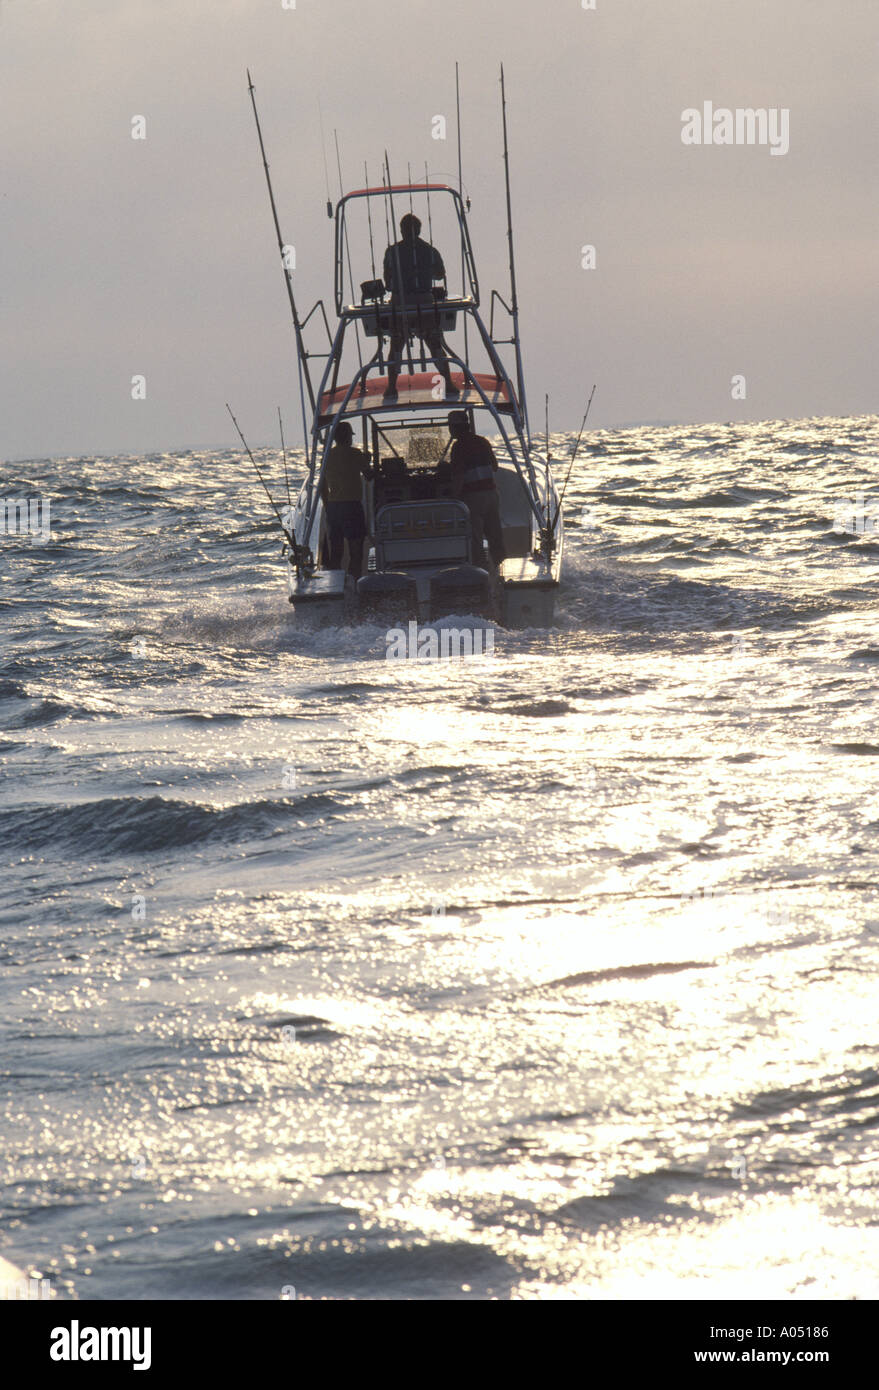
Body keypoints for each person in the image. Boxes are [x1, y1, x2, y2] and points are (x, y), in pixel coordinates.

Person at [382, 213, 458, 401]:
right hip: (425, 301)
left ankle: (391, 387)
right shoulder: (430, 250)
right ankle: (448, 382)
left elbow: (388, 280)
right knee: (435, 344)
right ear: (420, 230)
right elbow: (440, 274)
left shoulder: (392, 252)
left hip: (401, 304)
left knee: (396, 345)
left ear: (401, 230)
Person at [447, 411, 505, 569]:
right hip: (492, 494)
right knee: (495, 533)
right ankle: (499, 566)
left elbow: (458, 477)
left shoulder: (459, 447)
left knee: (475, 536)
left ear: (455, 428)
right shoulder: (483, 441)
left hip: (473, 498)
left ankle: (480, 570)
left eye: (450, 426)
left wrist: (453, 499)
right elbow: (495, 466)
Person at [319, 420, 373, 576]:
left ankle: (338, 585)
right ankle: (355, 583)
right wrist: (368, 461)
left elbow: (322, 485)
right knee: (356, 553)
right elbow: (369, 476)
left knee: (336, 552)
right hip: (352, 507)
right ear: (348, 437)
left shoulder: (327, 456)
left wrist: (327, 506)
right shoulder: (355, 454)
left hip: (334, 508)